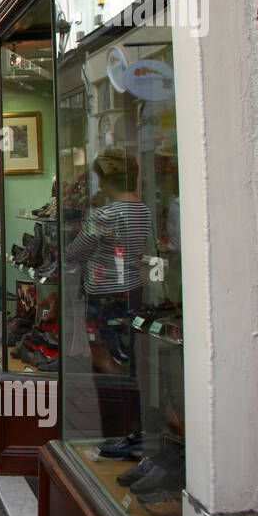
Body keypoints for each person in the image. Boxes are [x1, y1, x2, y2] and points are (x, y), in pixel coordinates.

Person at [63, 149, 154, 370]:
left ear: (107, 180)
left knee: (105, 359)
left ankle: (114, 400)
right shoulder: (143, 210)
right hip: (132, 288)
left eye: (100, 178)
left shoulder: (104, 215)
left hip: (104, 292)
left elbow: (74, 251)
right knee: (127, 351)